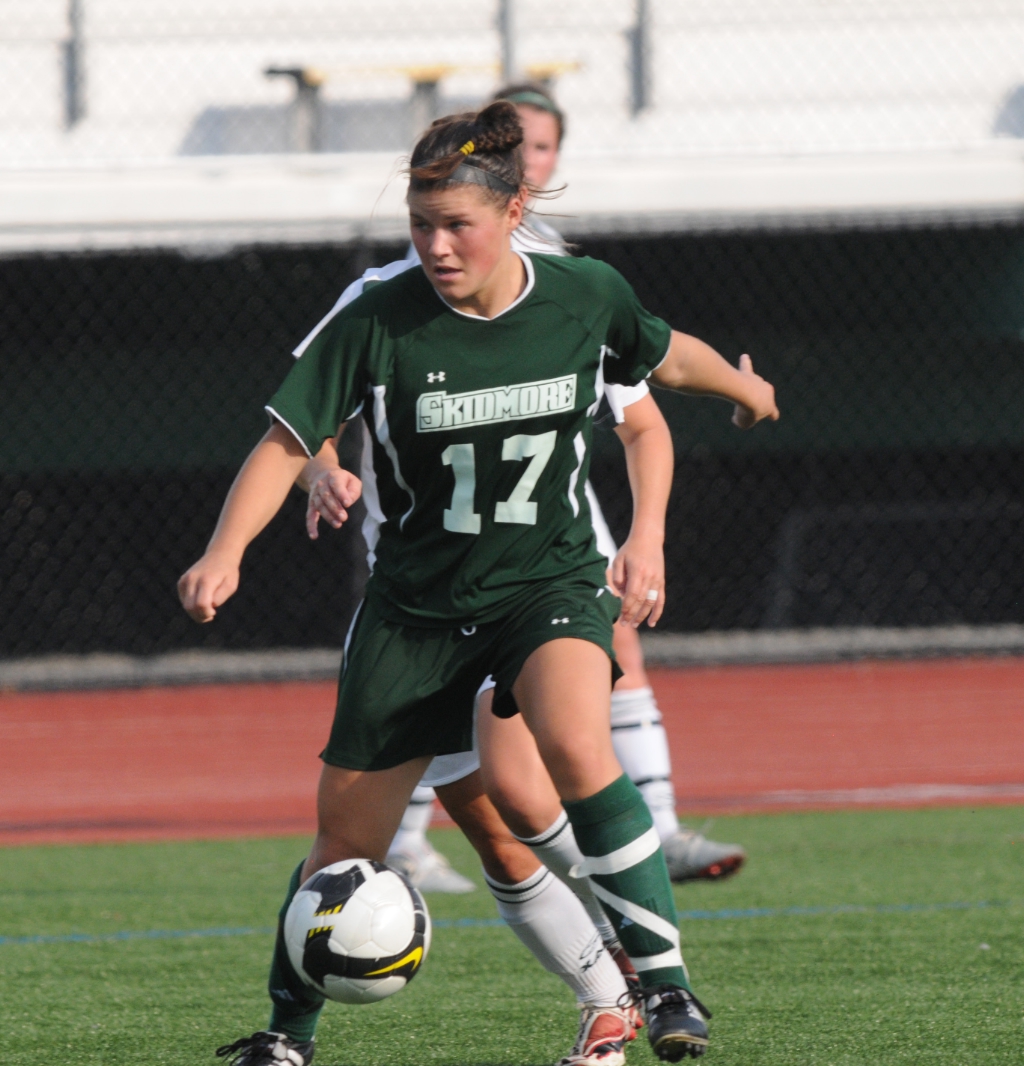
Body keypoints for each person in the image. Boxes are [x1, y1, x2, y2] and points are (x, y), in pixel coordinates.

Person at [179, 101, 778, 1065]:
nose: (436, 245)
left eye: (456, 224)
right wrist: (226, 551)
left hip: (546, 583)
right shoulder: (380, 313)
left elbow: (667, 362)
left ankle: (665, 984)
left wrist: (746, 392)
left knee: (574, 747)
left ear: (514, 211)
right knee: (347, 844)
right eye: (421, 225)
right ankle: (286, 1037)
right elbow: (285, 441)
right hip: (415, 611)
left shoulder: (582, 294)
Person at [389, 83, 746, 889]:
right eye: (518, 146)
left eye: (545, 148)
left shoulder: (565, 279)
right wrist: (321, 468)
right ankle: (410, 841)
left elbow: (646, 390)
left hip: (547, 523)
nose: (440, 243)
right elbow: (316, 409)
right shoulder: (413, 282)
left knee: (588, 682)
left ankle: (647, 838)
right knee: (435, 710)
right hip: (433, 539)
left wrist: (741, 391)